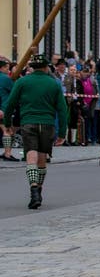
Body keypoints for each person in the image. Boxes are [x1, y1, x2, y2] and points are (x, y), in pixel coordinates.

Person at [3, 54, 68, 209]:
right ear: (46, 67)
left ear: (32, 67)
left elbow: (10, 103)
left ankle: (33, 188)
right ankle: (39, 188)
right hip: (47, 123)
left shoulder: (22, 82)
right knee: (42, 158)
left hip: (28, 122)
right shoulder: (53, 84)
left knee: (31, 156)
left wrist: (7, 123)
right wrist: (62, 133)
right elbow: (62, 109)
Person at [0, 58, 18, 161]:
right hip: (3, 108)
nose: (8, 70)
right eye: (7, 68)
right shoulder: (5, 79)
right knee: (7, 131)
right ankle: (7, 153)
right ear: (1, 68)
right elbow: (14, 91)